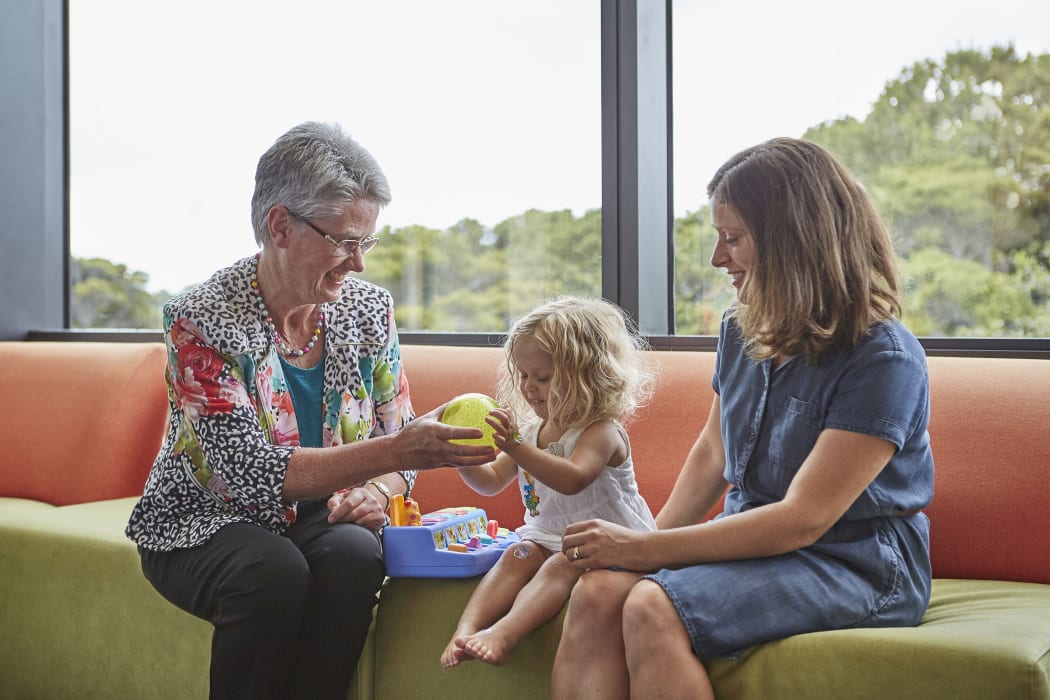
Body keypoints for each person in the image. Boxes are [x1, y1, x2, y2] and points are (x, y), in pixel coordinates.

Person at [551, 137, 935, 700]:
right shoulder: (741, 327)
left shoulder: (883, 357)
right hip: (753, 541)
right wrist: (642, 542)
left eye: (733, 239)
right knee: (597, 592)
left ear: (793, 243)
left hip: (856, 562)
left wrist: (643, 552)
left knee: (652, 606)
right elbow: (713, 452)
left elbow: (803, 520)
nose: (717, 258)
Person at [125, 121, 497, 700]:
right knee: (271, 571)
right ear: (280, 226)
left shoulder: (368, 310)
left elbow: (397, 435)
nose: (359, 264)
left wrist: (383, 485)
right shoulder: (201, 318)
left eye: (365, 243)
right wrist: (398, 452)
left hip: (319, 518)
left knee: (354, 554)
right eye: (345, 242)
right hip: (202, 521)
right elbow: (251, 473)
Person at [440, 296, 657, 669]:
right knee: (515, 555)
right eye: (523, 375)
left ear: (590, 375)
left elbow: (573, 479)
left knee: (559, 566)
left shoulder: (601, 431)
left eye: (543, 377)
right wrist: (459, 458)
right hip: (548, 535)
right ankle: (467, 630)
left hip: (608, 541)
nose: (529, 387)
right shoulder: (532, 431)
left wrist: (516, 446)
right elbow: (492, 481)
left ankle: (504, 634)